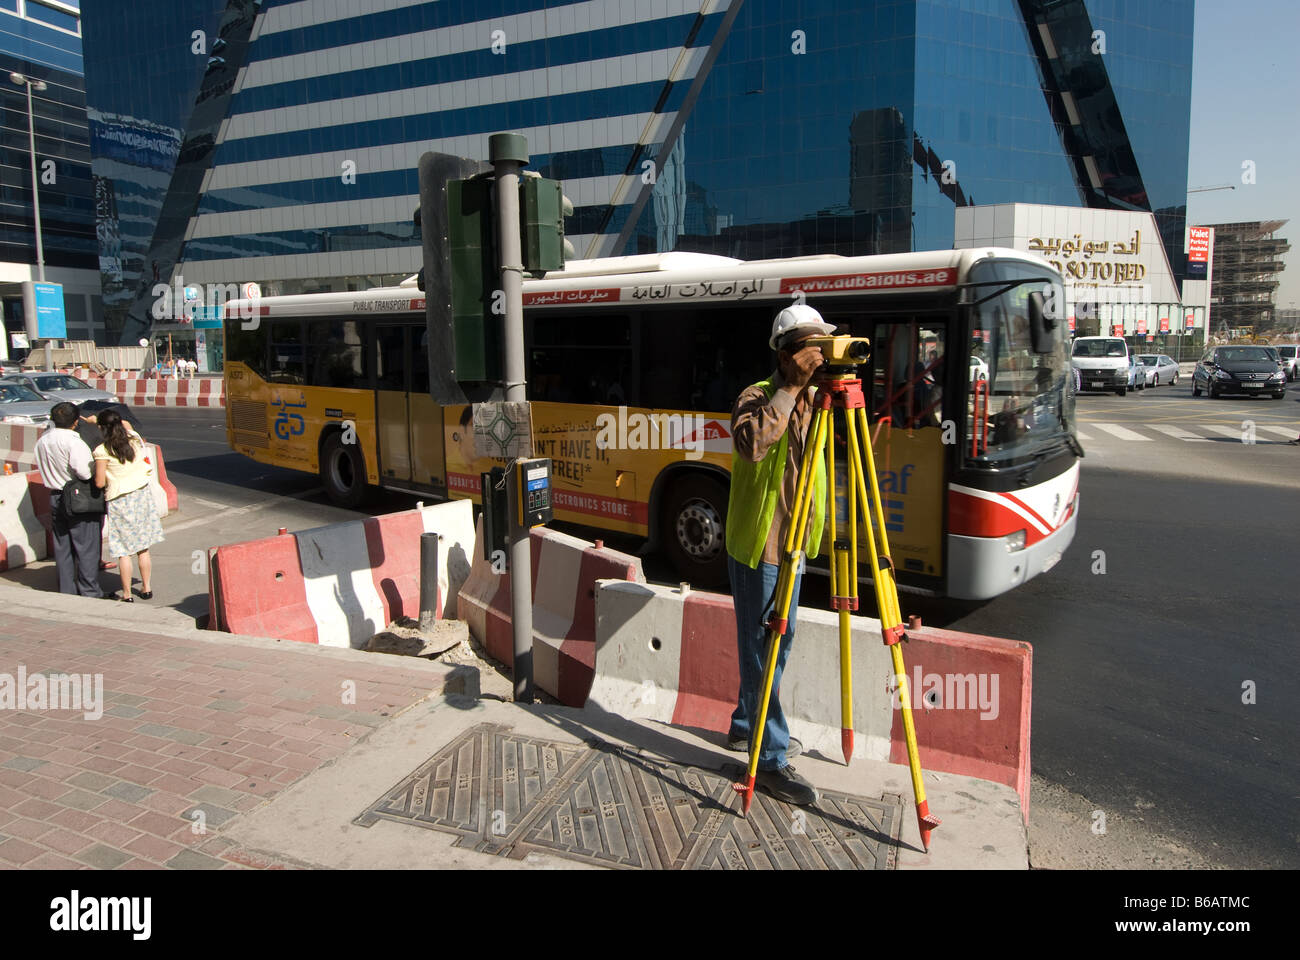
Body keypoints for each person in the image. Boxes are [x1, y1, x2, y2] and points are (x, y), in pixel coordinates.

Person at [723, 303, 835, 806]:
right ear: (788, 356)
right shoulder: (757, 396)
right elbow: (753, 445)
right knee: (763, 650)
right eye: (813, 347)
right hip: (759, 545)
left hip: (795, 544)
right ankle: (769, 759)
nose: (821, 355)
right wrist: (790, 389)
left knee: (777, 643)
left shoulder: (820, 401)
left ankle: (747, 724)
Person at [91, 409, 163, 601]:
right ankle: (147, 587)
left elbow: (99, 482)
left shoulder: (102, 450)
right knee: (143, 548)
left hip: (120, 500)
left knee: (124, 551)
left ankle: (127, 594)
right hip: (141, 495)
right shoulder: (133, 438)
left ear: (102, 428)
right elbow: (126, 426)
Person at [34, 401, 103, 598]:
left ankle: (67, 590)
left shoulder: (42, 441)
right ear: (75, 422)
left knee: (62, 547)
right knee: (87, 547)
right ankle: (90, 591)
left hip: (55, 496)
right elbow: (83, 472)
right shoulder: (74, 442)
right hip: (77, 496)